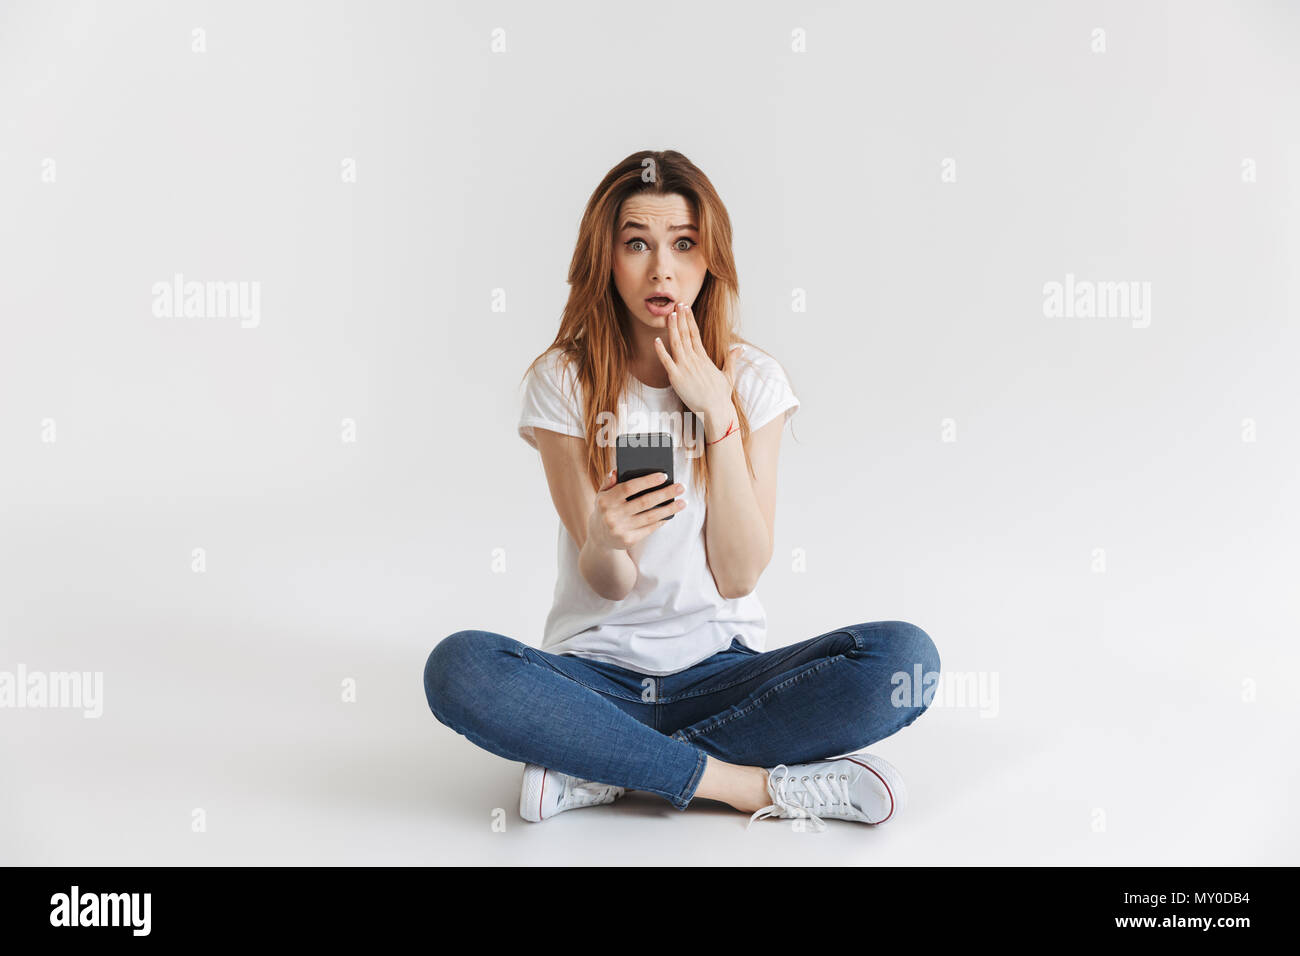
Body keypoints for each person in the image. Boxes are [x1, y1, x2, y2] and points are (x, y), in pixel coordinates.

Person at [424, 149, 940, 831]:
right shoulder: (564, 381)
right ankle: (743, 785)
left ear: (710, 258)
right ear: (605, 259)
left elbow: (737, 574)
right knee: (458, 668)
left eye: (684, 243)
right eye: (636, 243)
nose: (661, 268)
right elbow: (608, 583)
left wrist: (719, 414)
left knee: (906, 660)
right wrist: (606, 537)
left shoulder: (752, 380)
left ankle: (601, 767)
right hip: (596, 680)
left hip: (722, 678)